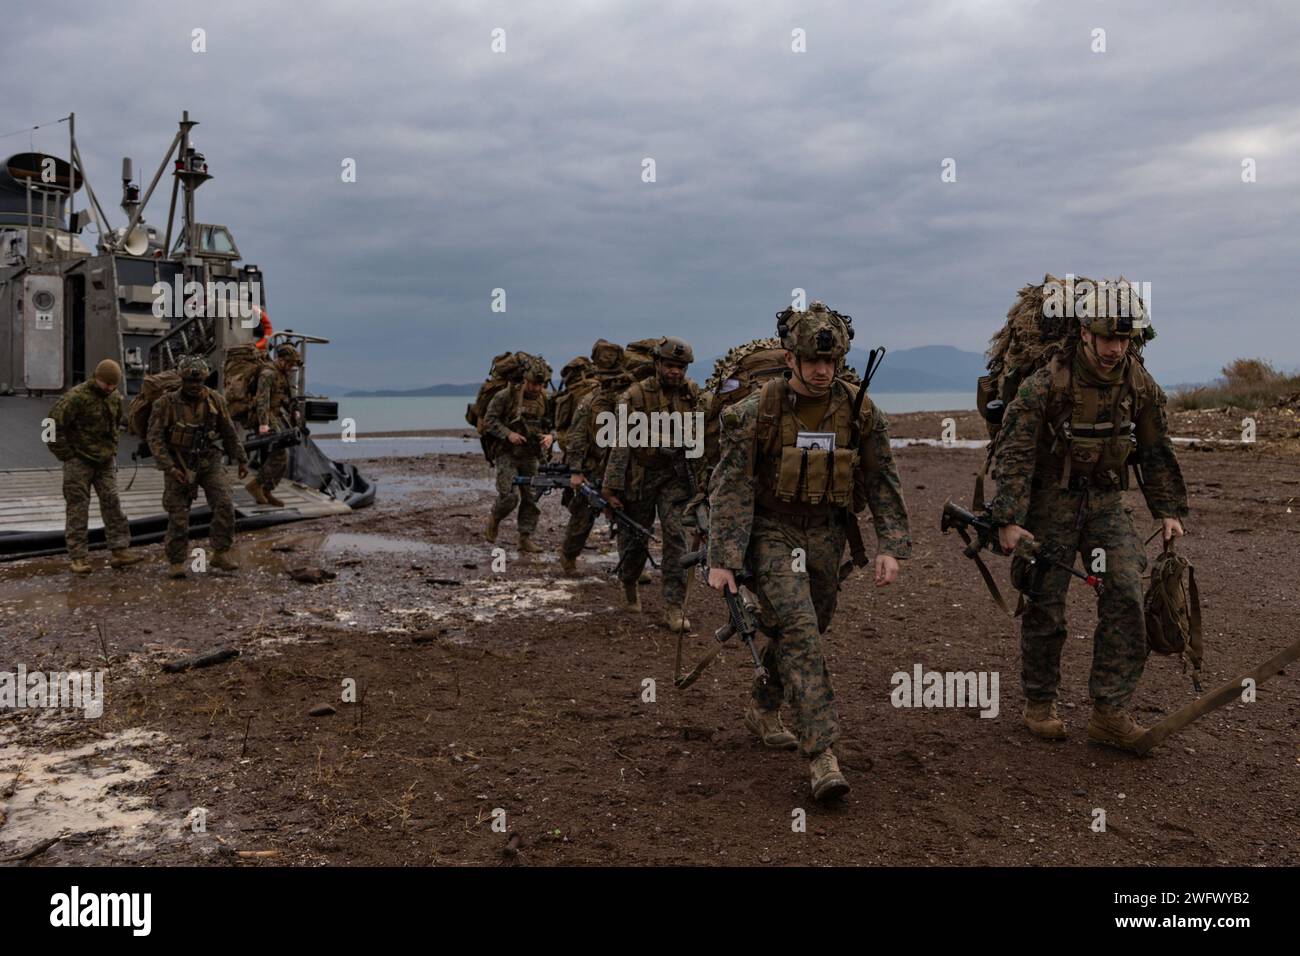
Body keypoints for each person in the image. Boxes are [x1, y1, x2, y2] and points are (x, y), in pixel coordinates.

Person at [707, 302, 911, 801]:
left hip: (827, 534)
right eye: (812, 361)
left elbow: (882, 479)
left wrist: (891, 546)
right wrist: (723, 558)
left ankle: (762, 703)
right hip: (772, 531)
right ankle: (823, 756)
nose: (822, 371)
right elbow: (730, 485)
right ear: (791, 359)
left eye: (831, 361)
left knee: (810, 625)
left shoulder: (860, 410)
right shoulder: (756, 412)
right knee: (800, 632)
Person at [989, 281, 1188, 751]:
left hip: (1103, 503)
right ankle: (1039, 703)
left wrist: (1168, 510)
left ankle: (1110, 711)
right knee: (1045, 601)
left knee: (1123, 589)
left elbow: (1157, 448)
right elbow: (1015, 453)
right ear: (1084, 333)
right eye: (1106, 338)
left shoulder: (1137, 382)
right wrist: (1008, 518)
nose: (1115, 348)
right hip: (1048, 503)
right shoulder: (1046, 384)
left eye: (1123, 340)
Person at [602, 337, 703, 632]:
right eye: (670, 365)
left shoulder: (692, 394)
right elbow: (619, 444)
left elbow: (702, 438)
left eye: (680, 367)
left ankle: (673, 607)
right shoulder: (634, 396)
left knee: (676, 539)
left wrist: (703, 486)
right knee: (635, 538)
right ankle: (630, 582)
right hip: (641, 476)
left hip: (674, 477)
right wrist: (611, 488)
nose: (675, 372)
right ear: (657, 364)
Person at [147, 356, 249, 579]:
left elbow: (229, 431)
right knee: (178, 515)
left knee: (224, 504)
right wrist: (170, 467)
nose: (194, 386)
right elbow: (155, 439)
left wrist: (241, 458)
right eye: (189, 381)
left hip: (209, 461)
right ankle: (176, 561)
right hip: (179, 464)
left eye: (199, 381)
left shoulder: (215, 400)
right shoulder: (165, 404)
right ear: (182, 380)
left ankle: (220, 553)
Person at [46, 358, 144, 573]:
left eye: (113, 385)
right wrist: (66, 455)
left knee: (112, 502)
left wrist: (112, 449)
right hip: (78, 461)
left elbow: (116, 424)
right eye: (106, 384)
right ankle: (78, 557)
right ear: (97, 378)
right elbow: (49, 426)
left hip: (105, 461)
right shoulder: (75, 397)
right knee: (78, 508)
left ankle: (119, 550)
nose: (109, 388)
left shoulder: (114, 398)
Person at [559, 340, 631, 573]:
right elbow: (577, 437)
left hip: (622, 469)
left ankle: (630, 568)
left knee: (626, 518)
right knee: (582, 517)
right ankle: (568, 557)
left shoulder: (630, 399)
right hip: (592, 468)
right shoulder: (589, 401)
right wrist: (576, 471)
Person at [482, 356, 555, 553]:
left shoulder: (546, 400)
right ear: (525, 380)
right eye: (532, 384)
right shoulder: (506, 396)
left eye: (539, 385)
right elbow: (490, 421)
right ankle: (495, 519)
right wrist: (508, 434)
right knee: (509, 497)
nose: (535, 388)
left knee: (531, 498)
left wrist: (551, 437)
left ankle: (525, 538)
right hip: (507, 453)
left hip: (531, 454)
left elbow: (557, 425)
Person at [245, 343, 301, 507]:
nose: (292, 367)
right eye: (289, 363)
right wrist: (263, 424)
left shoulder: (282, 373)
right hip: (265, 417)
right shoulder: (268, 373)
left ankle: (266, 490)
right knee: (279, 455)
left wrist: (295, 410)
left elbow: (289, 394)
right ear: (281, 360)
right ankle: (256, 485)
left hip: (277, 415)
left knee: (280, 456)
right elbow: (262, 400)